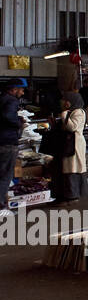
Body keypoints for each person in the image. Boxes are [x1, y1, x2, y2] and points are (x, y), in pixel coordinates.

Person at [52, 92, 88, 202]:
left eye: (65, 100)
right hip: (67, 144)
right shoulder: (70, 112)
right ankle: (65, 194)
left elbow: (72, 127)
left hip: (74, 144)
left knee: (73, 168)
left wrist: (64, 114)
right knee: (67, 168)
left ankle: (73, 195)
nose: (63, 102)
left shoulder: (78, 112)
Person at [0, 78, 26, 208]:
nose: (22, 93)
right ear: (13, 89)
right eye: (21, 90)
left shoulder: (2, 99)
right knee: (5, 175)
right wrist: (19, 123)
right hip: (7, 142)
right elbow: (8, 116)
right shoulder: (11, 100)